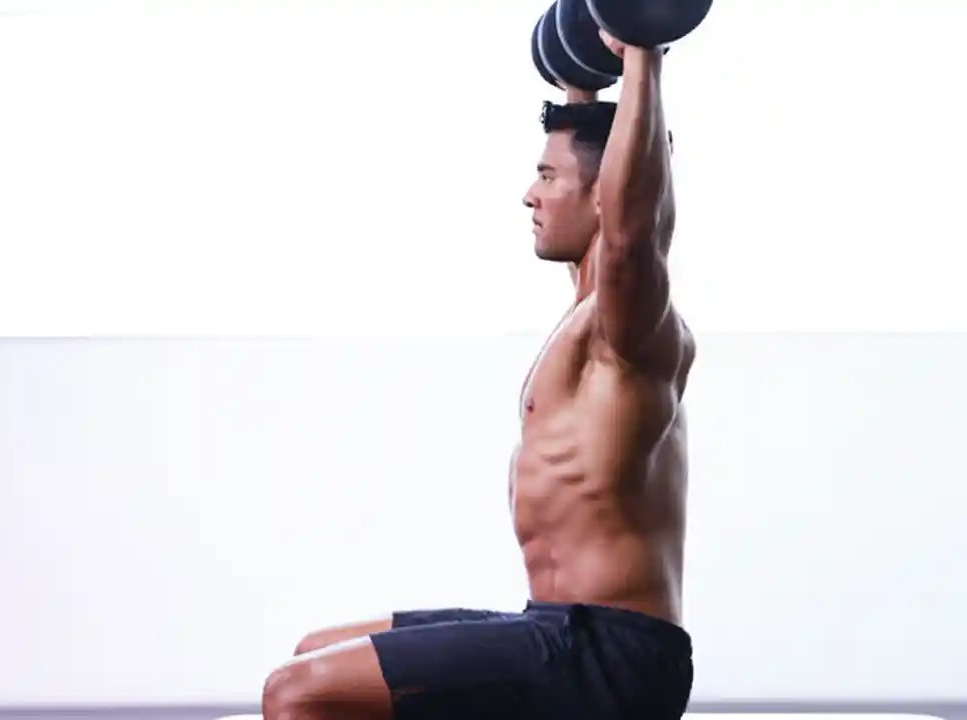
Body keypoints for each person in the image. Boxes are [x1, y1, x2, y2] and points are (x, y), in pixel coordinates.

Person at [261, 30, 696, 720]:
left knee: (296, 695)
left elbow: (635, 226)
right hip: (556, 627)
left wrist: (642, 56)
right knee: (314, 653)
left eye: (549, 177)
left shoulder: (630, 330)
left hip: (613, 657)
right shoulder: (581, 319)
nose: (529, 194)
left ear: (605, 196)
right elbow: (613, 193)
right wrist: (579, 87)